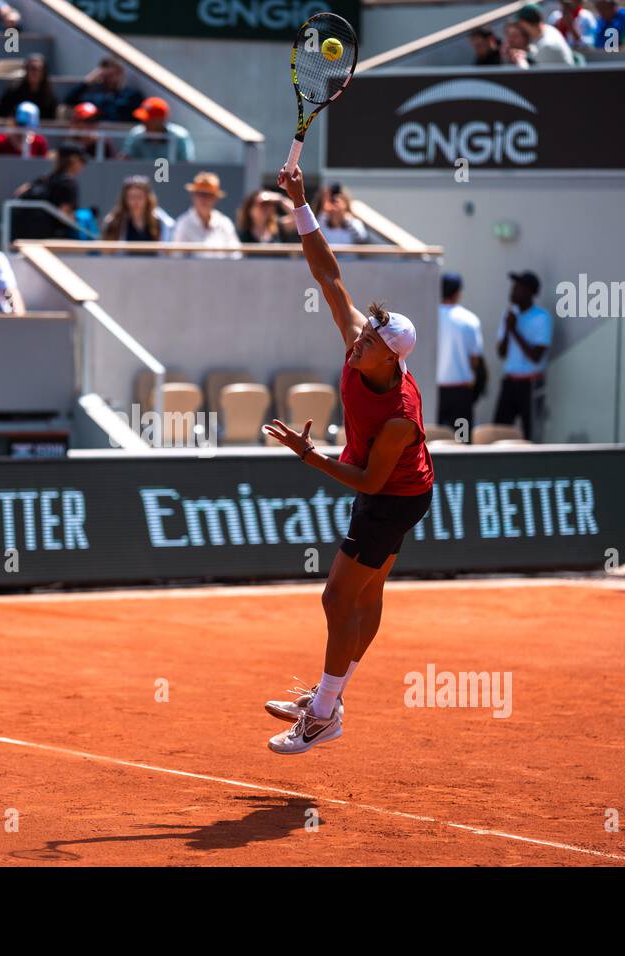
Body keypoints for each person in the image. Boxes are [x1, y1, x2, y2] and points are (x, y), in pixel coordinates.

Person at [261, 162, 434, 755]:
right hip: (394, 490)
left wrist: (308, 455)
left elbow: (366, 480)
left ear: (390, 360)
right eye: (361, 337)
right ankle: (327, 700)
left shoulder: (398, 419)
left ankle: (324, 714)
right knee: (367, 596)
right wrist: (301, 203)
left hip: (396, 496)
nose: (354, 340)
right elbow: (329, 276)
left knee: (338, 598)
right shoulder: (367, 351)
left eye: (366, 342)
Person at [493, 270, 551, 440]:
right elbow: (501, 352)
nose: (512, 291)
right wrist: (507, 329)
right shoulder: (509, 315)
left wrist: (514, 330)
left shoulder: (542, 317)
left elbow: (536, 356)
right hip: (510, 382)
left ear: (530, 293)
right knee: (499, 432)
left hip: (531, 385)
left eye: (518, 287)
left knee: (530, 434)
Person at [436, 272, 484, 431]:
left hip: (434, 390)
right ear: (458, 292)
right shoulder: (469, 320)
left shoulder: (429, 316)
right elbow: (475, 360)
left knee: (434, 439)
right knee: (461, 441)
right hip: (461, 392)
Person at [10, 143, 86, 240]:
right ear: (74, 161)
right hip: (52, 241)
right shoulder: (68, 183)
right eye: (83, 161)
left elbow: (18, 193)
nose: (83, 166)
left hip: (24, 237)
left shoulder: (43, 179)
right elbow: (65, 216)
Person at [170, 171, 240, 259]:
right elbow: (177, 258)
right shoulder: (184, 223)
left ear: (215, 198)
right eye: (200, 194)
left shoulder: (225, 223)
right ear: (193, 196)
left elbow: (236, 256)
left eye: (208, 195)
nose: (203, 199)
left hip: (222, 271)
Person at [63, 57, 142, 123]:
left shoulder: (131, 95)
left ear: (121, 74)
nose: (111, 79)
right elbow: (69, 100)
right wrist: (87, 82)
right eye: (107, 76)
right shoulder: (93, 95)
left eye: (114, 74)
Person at [100, 175, 174, 243]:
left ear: (148, 198)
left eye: (139, 196)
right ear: (125, 198)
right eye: (131, 197)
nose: (136, 201)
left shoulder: (161, 220)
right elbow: (106, 251)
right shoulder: (114, 221)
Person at [121, 96, 195, 163]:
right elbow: (125, 161)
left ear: (161, 120)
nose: (144, 122)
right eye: (143, 119)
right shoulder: (136, 134)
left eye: (149, 119)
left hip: (173, 177)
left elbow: (187, 164)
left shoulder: (180, 136)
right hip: (142, 177)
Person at [0, 53, 57, 120]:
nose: (35, 73)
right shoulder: (14, 91)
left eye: (39, 70)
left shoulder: (49, 97)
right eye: (32, 69)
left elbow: (51, 122)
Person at [312, 182, 368, 246]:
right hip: (328, 256)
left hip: (349, 256)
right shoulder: (322, 222)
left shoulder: (353, 222)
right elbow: (315, 234)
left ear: (345, 201)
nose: (334, 202)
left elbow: (362, 239)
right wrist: (326, 208)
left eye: (339, 198)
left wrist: (345, 216)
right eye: (331, 200)